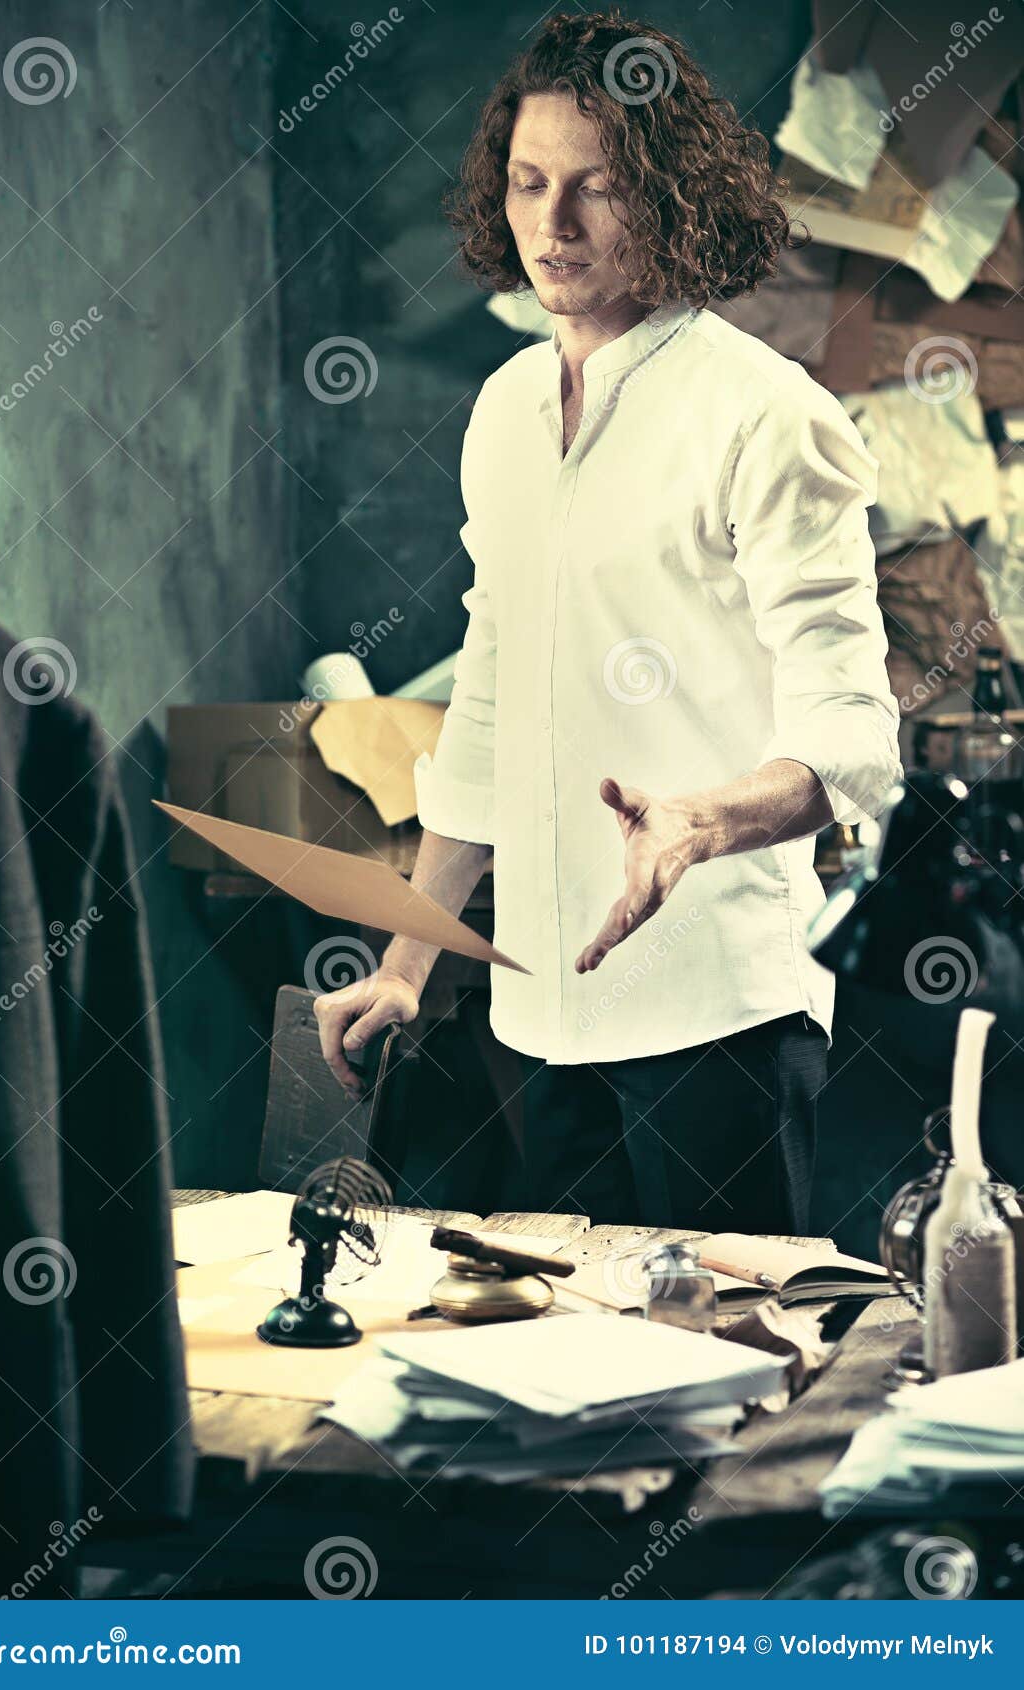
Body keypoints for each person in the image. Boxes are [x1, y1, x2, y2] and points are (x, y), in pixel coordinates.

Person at [315, 11, 902, 1233]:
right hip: (535, 1019)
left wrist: (696, 820)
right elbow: (486, 702)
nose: (552, 223)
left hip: (717, 1018)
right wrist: (408, 962)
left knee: (737, 1381)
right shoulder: (508, 406)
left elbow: (854, 737)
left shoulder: (764, 416)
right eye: (528, 184)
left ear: (672, 201)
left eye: (597, 187)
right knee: (579, 1381)